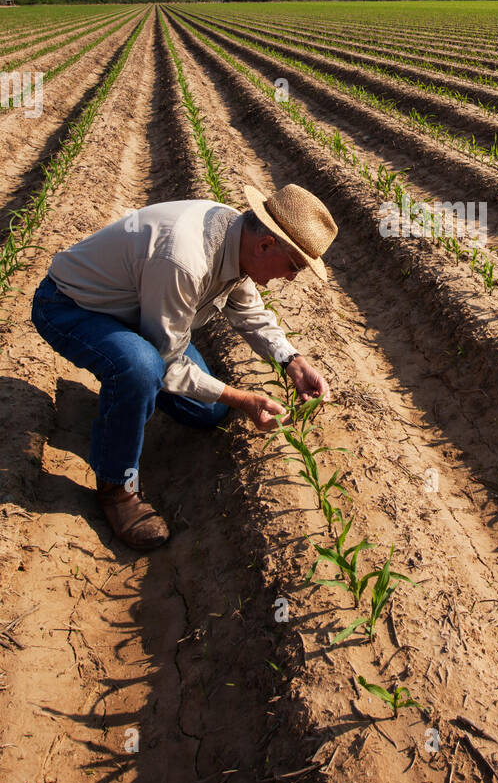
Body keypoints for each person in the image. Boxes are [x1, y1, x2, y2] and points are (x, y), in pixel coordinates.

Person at [30, 182, 337, 551]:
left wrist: (293, 361)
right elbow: (166, 360)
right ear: (266, 245)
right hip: (72, 306)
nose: (291, 277)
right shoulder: (184, 258)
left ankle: (126, 400)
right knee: (141, 368)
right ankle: (118, 490)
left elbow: (248, 310)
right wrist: (245, 399)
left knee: (209, 411)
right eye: (294, 267)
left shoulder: (238, 237)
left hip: (139, 310)